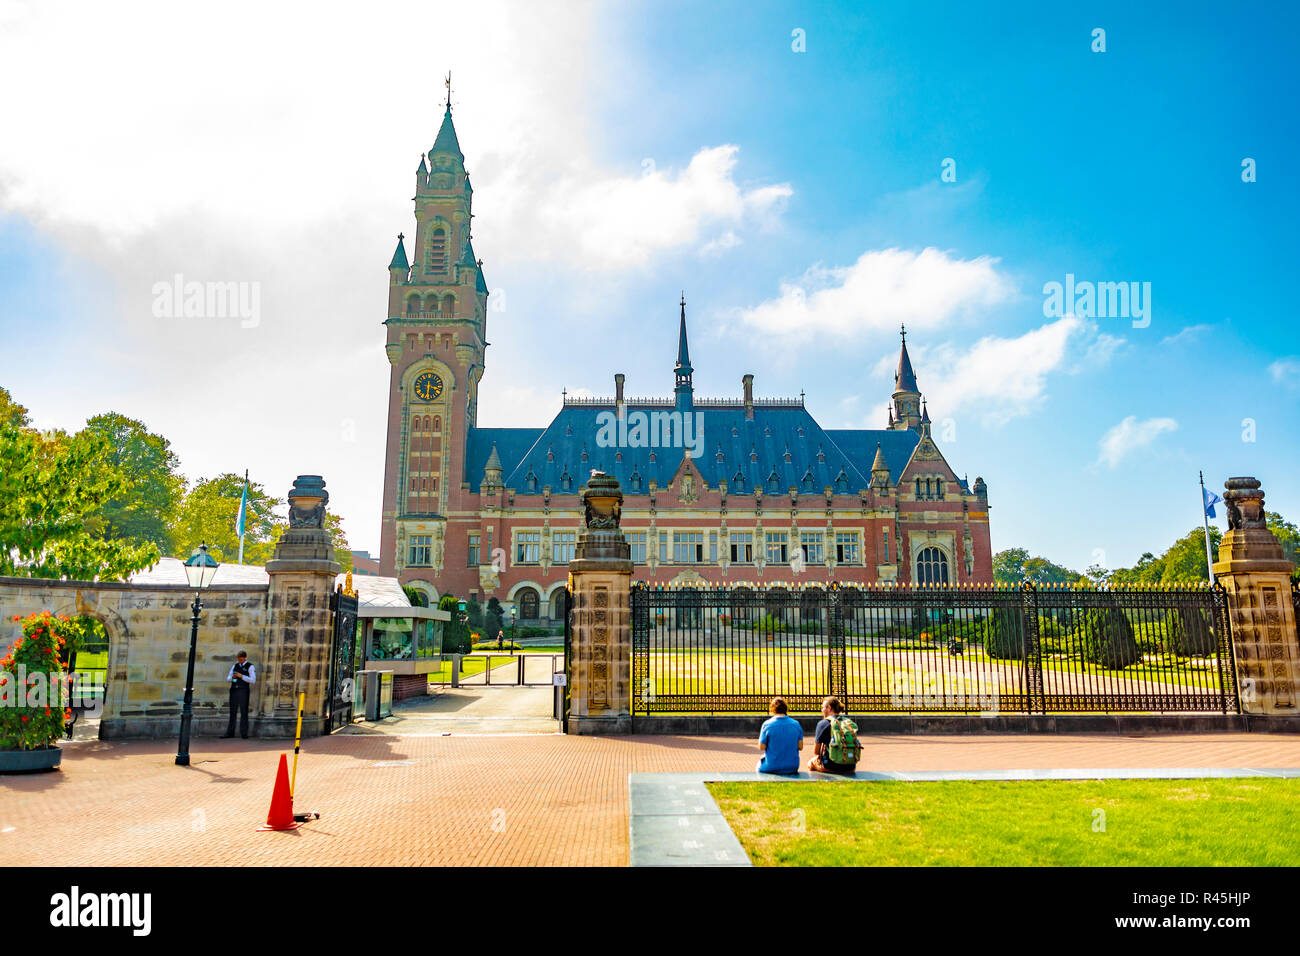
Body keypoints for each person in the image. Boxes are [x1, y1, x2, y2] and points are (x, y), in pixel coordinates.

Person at [809, 696, 859, 775]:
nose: (822, 710)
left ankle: (821, 780)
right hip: (851, 766)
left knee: (811, 763)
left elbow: (816, 751)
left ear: (829, 708)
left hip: (831, 766)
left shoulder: (823, 724)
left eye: (823, 707)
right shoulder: (847, 722)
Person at [756, 697, 803, 774]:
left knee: (759, 764)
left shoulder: (767, 725)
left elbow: (762, 747)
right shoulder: (796, 724)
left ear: (772, 709)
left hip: (771, 766)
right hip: (792, 766)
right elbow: (800, 747)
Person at [221, 651, 256, 739]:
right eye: (238, 659)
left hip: (244, 691)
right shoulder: (235, 665)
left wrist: (242, 676)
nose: (239, 661)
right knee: (232, 712)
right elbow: (228, 679)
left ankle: (244, 733)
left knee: (244, 712)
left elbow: (253, 680)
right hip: (234, 690)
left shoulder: (250, 666)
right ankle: (230, 732)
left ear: (245, 658)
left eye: (241, 659)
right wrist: (232, 677)